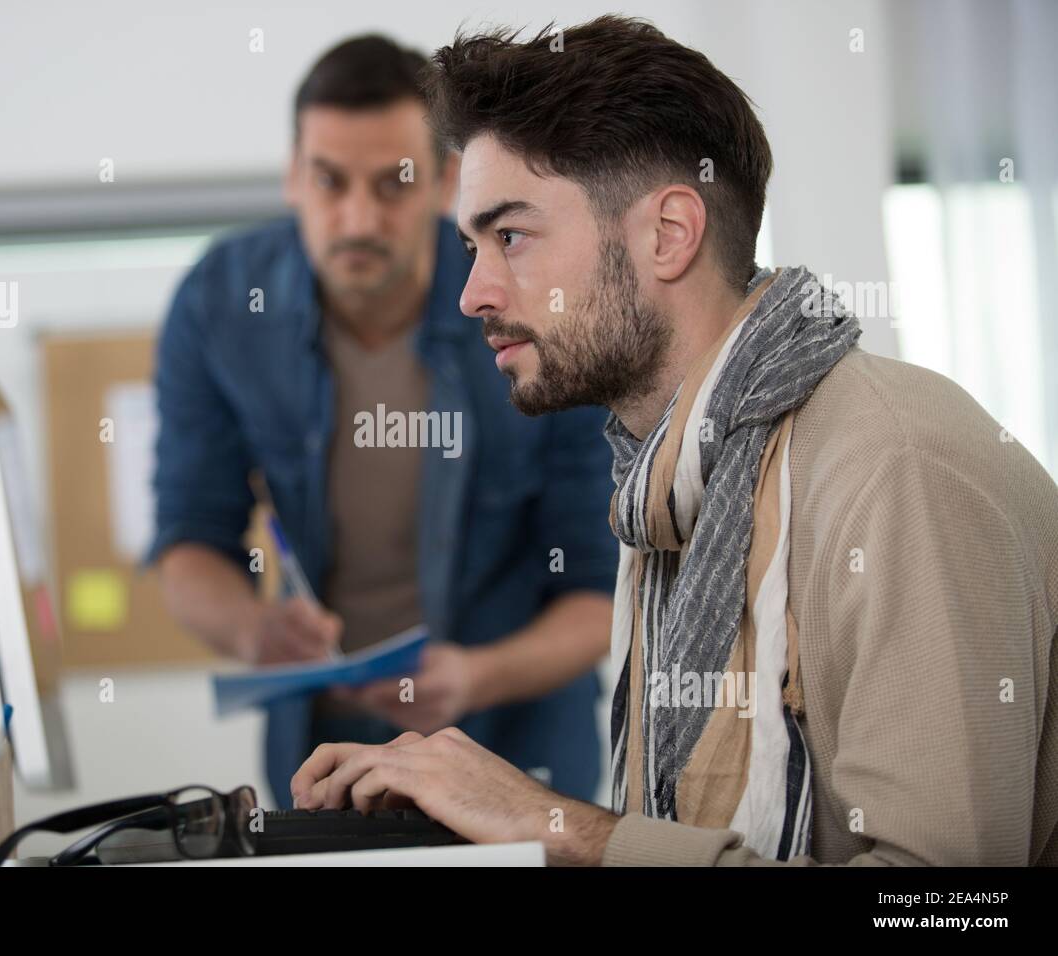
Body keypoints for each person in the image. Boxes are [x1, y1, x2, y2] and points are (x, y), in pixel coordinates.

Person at [291, 15, 1058, 866]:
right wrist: (478, 822)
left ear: (667, 235)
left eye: (509, 236)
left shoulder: (894, 472)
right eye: (471, 245)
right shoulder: (672, 487)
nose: (473, 292)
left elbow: (948, 910)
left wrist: (552, 824)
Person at [149, 34, 618, 809]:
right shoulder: (221, 304)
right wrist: (249, 633)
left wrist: (475, 676)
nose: (357, 217)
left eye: (391, 184)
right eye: (330, 181)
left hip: (516, 751)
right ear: (292, 177)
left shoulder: (531, 302)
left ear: (444, 184)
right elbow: (189, 540)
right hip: (322, 752)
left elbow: (602, 588)